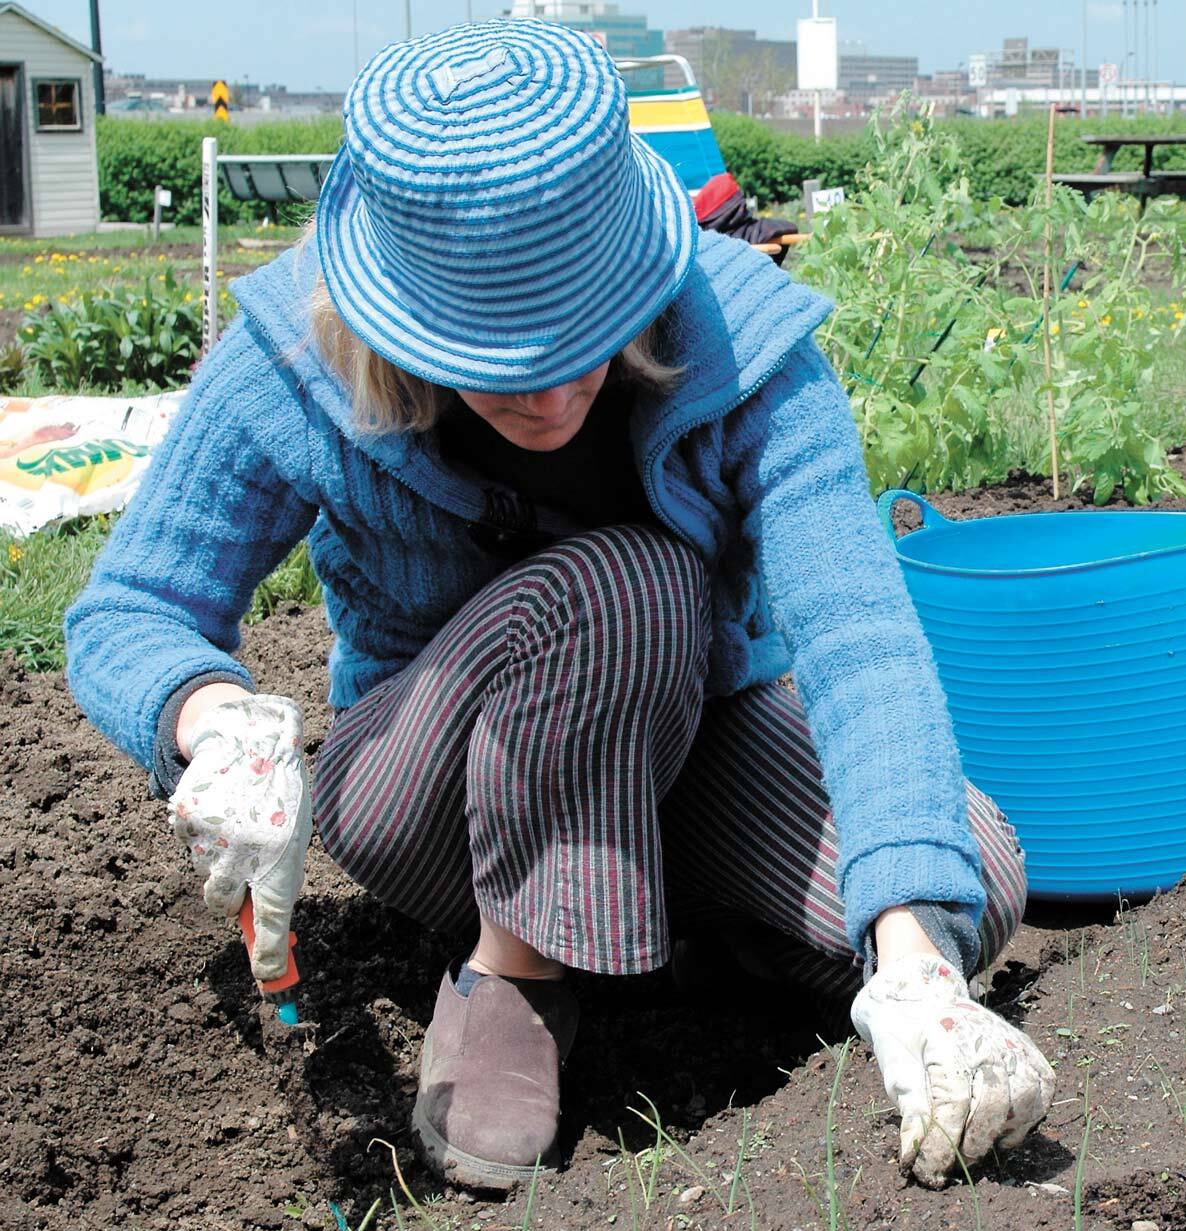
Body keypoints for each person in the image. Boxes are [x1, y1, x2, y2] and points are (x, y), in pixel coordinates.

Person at [64, 21, 1053, 1192]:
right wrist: (210, 718)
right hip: (431, 787)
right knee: (624, 585)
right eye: (495, 354)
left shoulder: (742, 341)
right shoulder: (295, 358)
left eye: (582, 335)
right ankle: (519, 969)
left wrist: (909, 958)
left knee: (960, 882)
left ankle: (646, 941)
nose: (552, 388)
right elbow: (129, 608)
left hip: (678, 745)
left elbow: (858, 637)